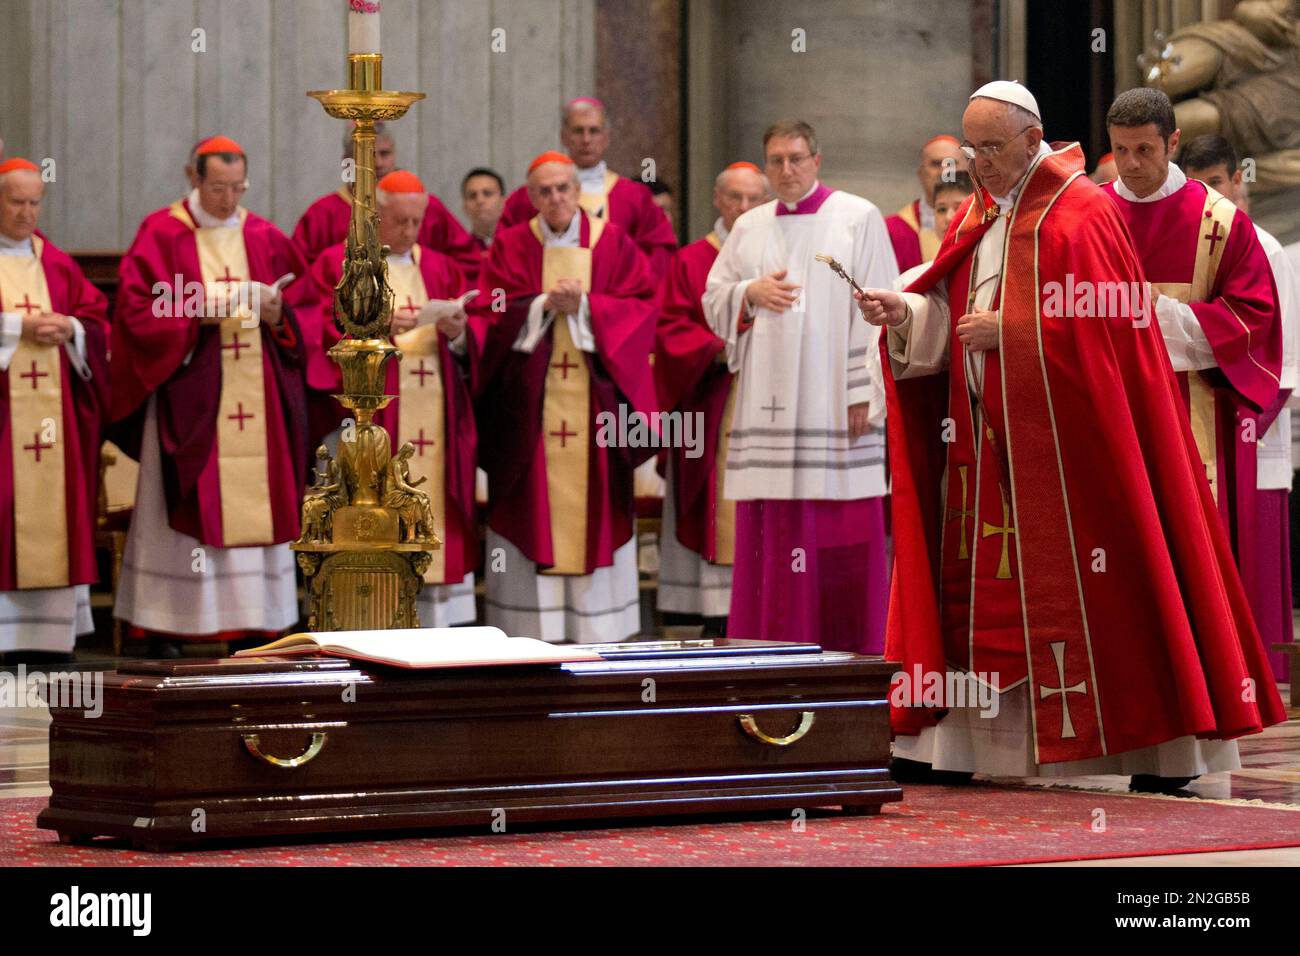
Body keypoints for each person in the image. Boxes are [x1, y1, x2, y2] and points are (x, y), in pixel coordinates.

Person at [858, 80, 1284, 793]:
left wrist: (1014, 335)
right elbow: (949, 317)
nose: (980, 163)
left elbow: (1121, 336)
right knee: (979, 606)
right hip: (982, 451)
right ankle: (969, 748)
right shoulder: (978, 215)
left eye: (992, 147)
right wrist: (903, 315)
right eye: (973, 148)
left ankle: (1153, 750)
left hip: (1072, 463)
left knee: (1116, 595)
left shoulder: (1081, 212)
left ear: (1033, 139)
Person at [702, 119, 896, 653]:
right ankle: (766, 652)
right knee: (772, 533)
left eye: (796, 158)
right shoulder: (750, 226)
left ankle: (850, 654)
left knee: (838, 533)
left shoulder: (858, 217)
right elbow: (713, 298)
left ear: (817, 159)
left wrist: (863, 391)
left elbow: (879, 304)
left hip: (835, 404)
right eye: (776, 161)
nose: (786, 170)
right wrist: (749, 291)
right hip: (767, 411)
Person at [111, 136, 310, 654]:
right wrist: (201, 309)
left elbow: (305, 309)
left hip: (256, 396)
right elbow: (137, 310)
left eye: (237, 187)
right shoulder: (162, 232)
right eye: (217, 187)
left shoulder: (264, 234)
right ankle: (167, 623)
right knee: (181, 502)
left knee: (260, 495)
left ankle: (258, 622)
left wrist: (276, 314)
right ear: (193, 178)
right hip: (191, 395)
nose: (228, 198)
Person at [1101, 89, 1282, 657]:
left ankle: (1205, 671)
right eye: (1120, 150)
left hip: (1192, 414)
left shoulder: (1220, 224)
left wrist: (1156, 315)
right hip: (1111, 410)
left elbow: (1253, 321)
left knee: (1191, 550)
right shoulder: (1092, 215)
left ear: (1173, 142)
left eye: (1145, 150)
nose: (1131, 165)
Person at [471, 151, 658, 643]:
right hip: (528, 408)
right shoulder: (511, 245)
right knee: (529, 504)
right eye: (544, 191)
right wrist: (538, 306)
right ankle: (532, 633)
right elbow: (491, 307)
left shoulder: (613, 242)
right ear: (530, 197)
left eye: (563, 189)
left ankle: (599, 632)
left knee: (598, 507)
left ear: (578, 191)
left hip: (595, 407)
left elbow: (642, 308)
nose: (555, 198)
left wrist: (589, 308)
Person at [306, 170, 479, 626]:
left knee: (434, 508)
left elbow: (472, 342)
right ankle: (369, 614)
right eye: (399, 221)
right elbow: (317, 333)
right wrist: (377, 332)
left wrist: (459, 333)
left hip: (436, 414)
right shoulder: (342, 265)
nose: (409, 232)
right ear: (373, 218)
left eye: (417, 222)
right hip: (375, 422)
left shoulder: (441, 267)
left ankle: (440, 624)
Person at [1182, 133, 1300, 682]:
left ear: (1238, 183)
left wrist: (1238, 431)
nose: (1210, 196)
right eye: (1198, 185)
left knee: (1252, 574)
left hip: (1247, 431)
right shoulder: (1187, 245)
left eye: (1217, 184)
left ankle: (1260, 681)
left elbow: (1284, 364)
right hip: (1196, 431)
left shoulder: (1268, 249)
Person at [0, 158, 109, 660]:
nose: (26, 213)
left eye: (34, 203)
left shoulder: (56, 262)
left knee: (55, 508)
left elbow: (94, 317)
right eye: (15, 202)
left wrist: (71, 329)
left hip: (53, 423)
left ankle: (46, 639)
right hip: (6, 423)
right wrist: (15, 329)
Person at [654, 161, 769, 634]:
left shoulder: (777, 253)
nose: (744, 208)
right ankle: (709, 622)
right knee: (711, 508)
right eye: (734, 198)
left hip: (770, 407)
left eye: (753, 199)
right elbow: (669, 332)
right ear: (717, 200)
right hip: (711, 403)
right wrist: (717, 348)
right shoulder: (690, 259)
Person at [497, 98, 678, 278]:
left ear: (606, 137)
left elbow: (658, 257)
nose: (586, 140)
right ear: (564, 137)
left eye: (594, 131)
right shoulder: (528, 197)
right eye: (578, 131)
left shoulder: (634, 197)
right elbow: (504, 253)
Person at [293, 121, 480, 272]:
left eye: (385, 154)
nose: (379, 163)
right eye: (369, 154)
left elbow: (469, 263)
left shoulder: (428, 207)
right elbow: (300, 278)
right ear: (347, 161)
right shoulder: (322, 214)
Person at [885, 134, 967, 272]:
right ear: (921, 173)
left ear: (968, 170)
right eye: (936, 164)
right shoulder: (892, 230)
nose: (944, 171)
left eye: (951, 163)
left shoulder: (987, 220)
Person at [461, 166, 506, 277]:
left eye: (487, 193)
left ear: (502, 202)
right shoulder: (459, 253)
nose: (480, 200)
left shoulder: (518, 248)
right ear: (464, 206)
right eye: (472, 196)